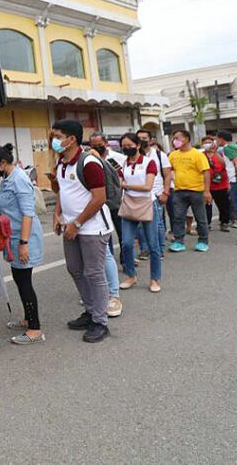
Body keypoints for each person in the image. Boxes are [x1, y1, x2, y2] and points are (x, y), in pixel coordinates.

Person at [52, 119, 112, 343]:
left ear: (71, 139)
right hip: (71, 227)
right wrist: (58, 216)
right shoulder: (62, 162)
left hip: (92, 228)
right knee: (75, 269)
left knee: (94, 273)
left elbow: (99, 199)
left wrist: (77, 223)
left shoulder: (89, 163)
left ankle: (100, 321)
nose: (54, 141)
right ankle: (90, 311)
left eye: (58, 136)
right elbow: (62, 192)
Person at [0, 144, 45, 345]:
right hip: (13, 237)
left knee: (24, 280)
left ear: (2, 163)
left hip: (24, 237)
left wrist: (24, 243)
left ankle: (35, 329)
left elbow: (27, 213)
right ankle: (28, 318)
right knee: (19, 279)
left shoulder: (19, 179)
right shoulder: (8, 178)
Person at [116, 133, 162, 293]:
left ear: (137, 145)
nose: (127, 149)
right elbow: (119, 181)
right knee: (127, 243)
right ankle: (130, 275)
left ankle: (155, 279)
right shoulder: (123, 163)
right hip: (129, 205)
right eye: (124, 146)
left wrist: (127, 186)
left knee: (153, 245)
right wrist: (125, 185)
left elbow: (147, 186)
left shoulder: (149, 163)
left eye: (130, 146)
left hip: (147, 204)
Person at [86, 134, 124, 318]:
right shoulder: (85, 160)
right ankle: (100, 291)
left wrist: (107, 205)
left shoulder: (111, 161)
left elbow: (116, 184)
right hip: (91, 215)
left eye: (99, 145)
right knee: (98, 256)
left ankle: (113, 294)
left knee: (109, 251)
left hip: (108, 209)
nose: (95, 147)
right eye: (92, 145)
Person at [167, 130, 212, 253]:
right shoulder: (172, 155)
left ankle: (203, 241)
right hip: (179, 191)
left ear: (186, 138)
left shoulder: (197, 155)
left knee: (200, 217)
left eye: (177, 137)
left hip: (196, 191)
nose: (174, 140)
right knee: (178, 217)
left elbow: (206, 173)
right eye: (173, 138)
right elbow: (167, 171)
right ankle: (179, 241)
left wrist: (207, 191)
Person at [137, 129, 172, 258]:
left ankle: (159, 249)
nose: (141, 140)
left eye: (144, 138)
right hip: (140, 195)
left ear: (150, 140)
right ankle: (144, 249)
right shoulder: (134, 156)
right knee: (141, 225)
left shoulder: (159, 155)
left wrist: (166, 192)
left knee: (157, 224)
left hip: (157, 194)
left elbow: (167, 175)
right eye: (139, 137)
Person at [201, 135, 233, 232]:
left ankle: (224, 222)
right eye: (205, 143)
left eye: (209, 142)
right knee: (206, 206)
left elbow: (226, 167)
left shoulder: (220, 154)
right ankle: (207, 224)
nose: (207, 144)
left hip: (221, 185)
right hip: (206, 186)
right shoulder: (200, 155)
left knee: (223, 205)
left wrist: (228, 183)